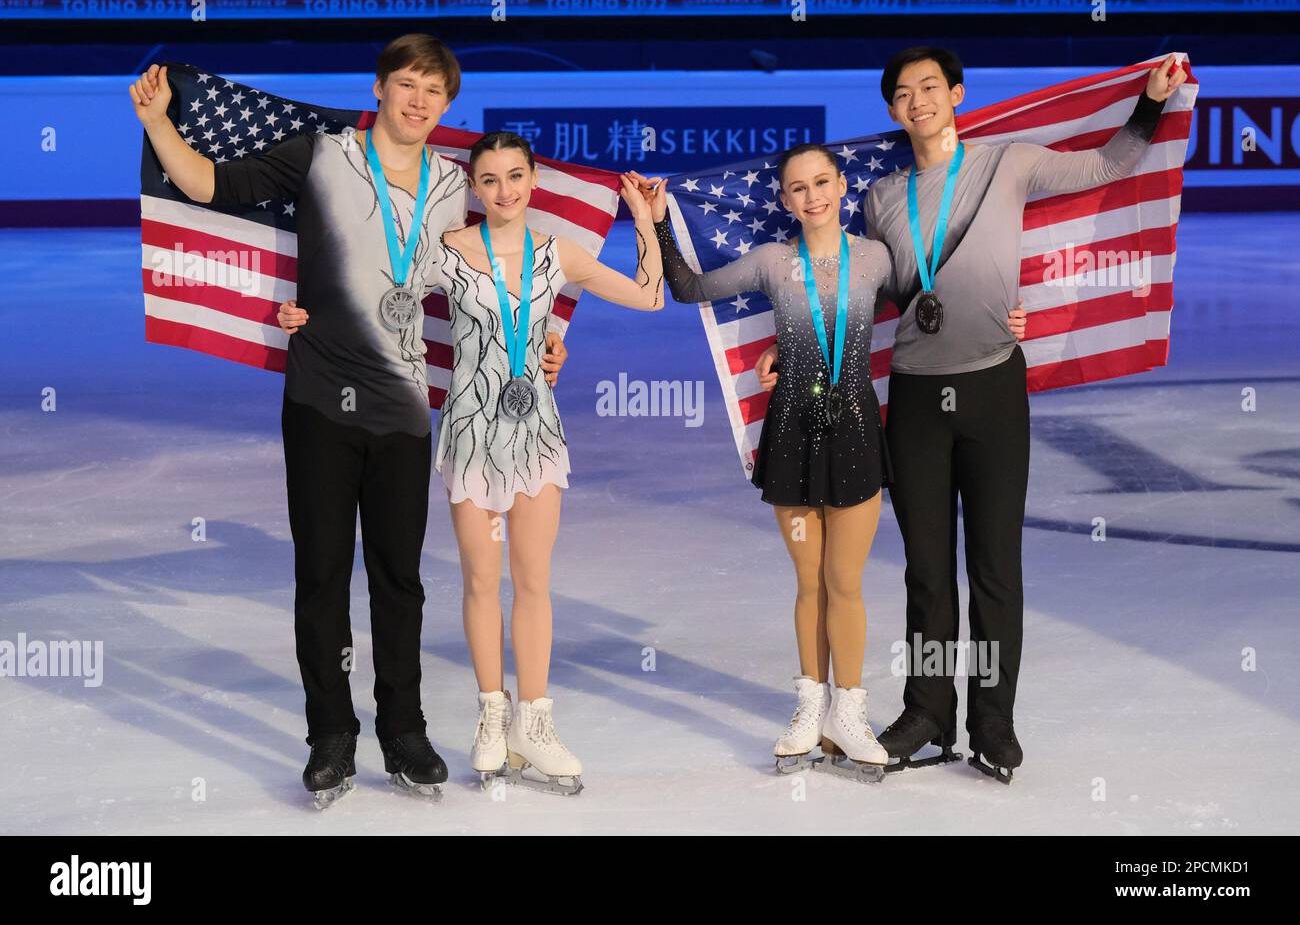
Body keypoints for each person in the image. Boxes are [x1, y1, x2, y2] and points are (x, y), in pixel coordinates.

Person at [130, 34, 570, 808]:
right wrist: (163, 124)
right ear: (379, 88)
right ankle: (331, 735)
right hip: (320, 398)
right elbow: (212, 185)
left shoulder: (451, 185)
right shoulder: (320, 154)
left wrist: (544, 340)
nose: (420, 101)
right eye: (407, 85)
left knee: (400, 578)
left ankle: (404, 729)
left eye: (434, 92)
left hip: (404, 408)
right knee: (323, 573)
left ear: (446, 104)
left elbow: (501, 269)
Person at [757, 48, 1185, 782]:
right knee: (926, 570)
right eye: (902, 93)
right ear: (893, 111)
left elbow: (1107, 167)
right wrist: (791, 351)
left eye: (929, 87)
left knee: (994, 564)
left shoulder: (1008, 162)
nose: (917, 100)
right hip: (918, 398)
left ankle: (993, 719)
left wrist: (1148, 103)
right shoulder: (882, 197)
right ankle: (928, 711)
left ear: (956, 93)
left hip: (991, 389)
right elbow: (867, 290)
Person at [284, 131, 665, 795]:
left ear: (533, 180)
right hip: (469, 431)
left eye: (515, 177)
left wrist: (645, 224)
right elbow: (373, 285)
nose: (504, 191)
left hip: (536, 434)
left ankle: (534, 724)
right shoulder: (447, 252)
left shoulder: (559, 254)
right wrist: (304, 312)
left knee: (533, 581)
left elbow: (649, 295)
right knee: (482, 583)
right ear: (474, 188)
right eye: (489, 180)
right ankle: (492, 719)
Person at [635, 145, 897, 781]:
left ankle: (850, 712)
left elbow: (925, 301)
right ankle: (811, 706)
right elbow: (691, 287)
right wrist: (659, 221)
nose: (812, 197)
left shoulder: (875, 257)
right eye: (797, 189)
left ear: (842, 188)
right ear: (784, 200)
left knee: (845, 580)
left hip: (857, 431)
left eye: (822, 183)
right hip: (794, 434)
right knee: (809, 581)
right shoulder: (774, 262)